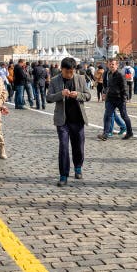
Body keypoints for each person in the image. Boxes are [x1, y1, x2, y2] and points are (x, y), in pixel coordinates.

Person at [47, 57, 91, 187]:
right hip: (62, 121)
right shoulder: (55, 80)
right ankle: (63, 175)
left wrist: (78, 95)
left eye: (72, 71)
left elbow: (88, 95)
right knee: (63, 147)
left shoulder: (81, 78)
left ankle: (78, 167)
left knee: (79, 146)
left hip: (78, 119)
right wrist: (61, 94)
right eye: (67, 72)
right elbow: (48, 98)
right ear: (62, 69)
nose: (70, 74)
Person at [98, 58, 132, 140]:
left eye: (113, 64)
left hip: (119, 99)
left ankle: (129, 132)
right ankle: (105, 134)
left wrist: (124, 99)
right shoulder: (109, 73)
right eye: (110, 64)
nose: (111, 66)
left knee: (124, 116)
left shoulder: (120, 74)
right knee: (107, 116)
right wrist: (105, 93)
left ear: (117, 65)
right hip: (110, 98)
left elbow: (125, 87)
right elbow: (107, 86)